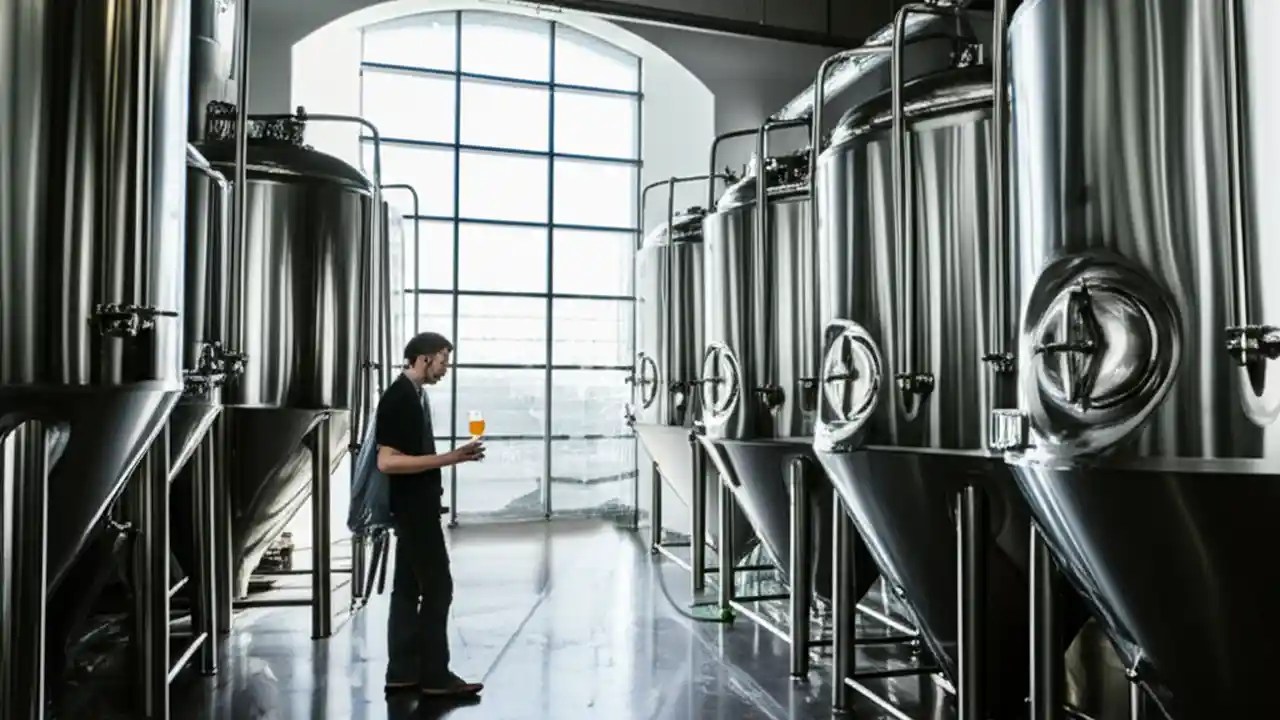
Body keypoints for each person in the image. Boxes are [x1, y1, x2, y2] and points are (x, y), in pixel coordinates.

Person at [376, 332, 485, 697]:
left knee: (407, 590)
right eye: (443, 361)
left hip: (414, 507)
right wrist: (450, 458)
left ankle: (402, 672)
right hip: (414, 512)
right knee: (439, 588)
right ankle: (435, 676)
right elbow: (387, 462)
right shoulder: (401, 398)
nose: (445, 369)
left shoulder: (412, 395)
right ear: (424, 359)